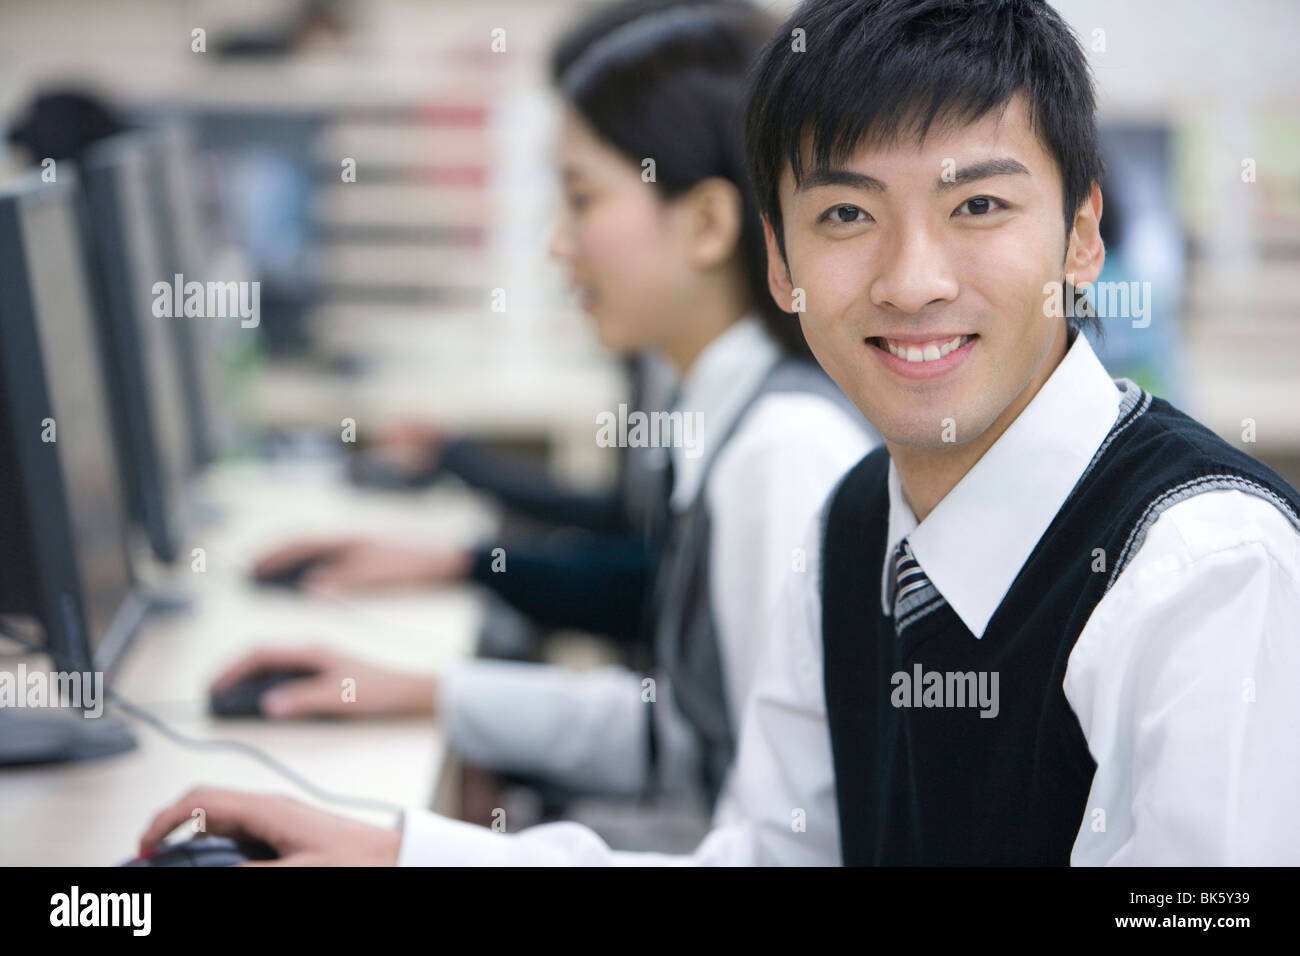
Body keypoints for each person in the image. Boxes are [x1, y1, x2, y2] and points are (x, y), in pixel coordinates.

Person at [143, 0, 1300, 866]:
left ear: (1083, 235)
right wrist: (397, 851)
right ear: (781, 260)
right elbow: (767, 858)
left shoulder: (1202, 571)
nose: (911, 277)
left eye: (978, 206)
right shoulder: (856, 527)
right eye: (846, 214)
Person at [185, 0, 875, 849]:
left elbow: (781, 852)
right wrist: (433, 696)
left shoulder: (784, 457)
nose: (557, 244)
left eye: (582, 199)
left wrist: (411, 855)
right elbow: (686, 732)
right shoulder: (736, 425)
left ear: (706, 223)